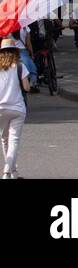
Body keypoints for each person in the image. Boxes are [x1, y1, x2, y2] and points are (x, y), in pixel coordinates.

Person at [0, 37, 30, 179]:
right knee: (14, 140)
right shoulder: (20, 66)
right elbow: (27, 88)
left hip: (0, 108)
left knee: (4, 139)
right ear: (15, 51)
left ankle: (11, 171)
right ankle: (9, 170)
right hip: (17, 108)